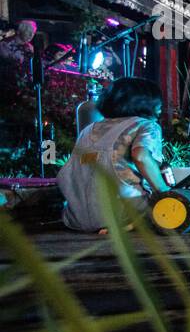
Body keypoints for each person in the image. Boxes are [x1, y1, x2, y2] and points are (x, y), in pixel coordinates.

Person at [57, 77, 170, 232]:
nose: (160, 108)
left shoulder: (88, 129)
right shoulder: (145, 125)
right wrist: (164, 192)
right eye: (158, 103)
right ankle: (131, 223)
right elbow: (141, 157)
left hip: (76, 218)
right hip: (122, 213)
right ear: (145, 102)